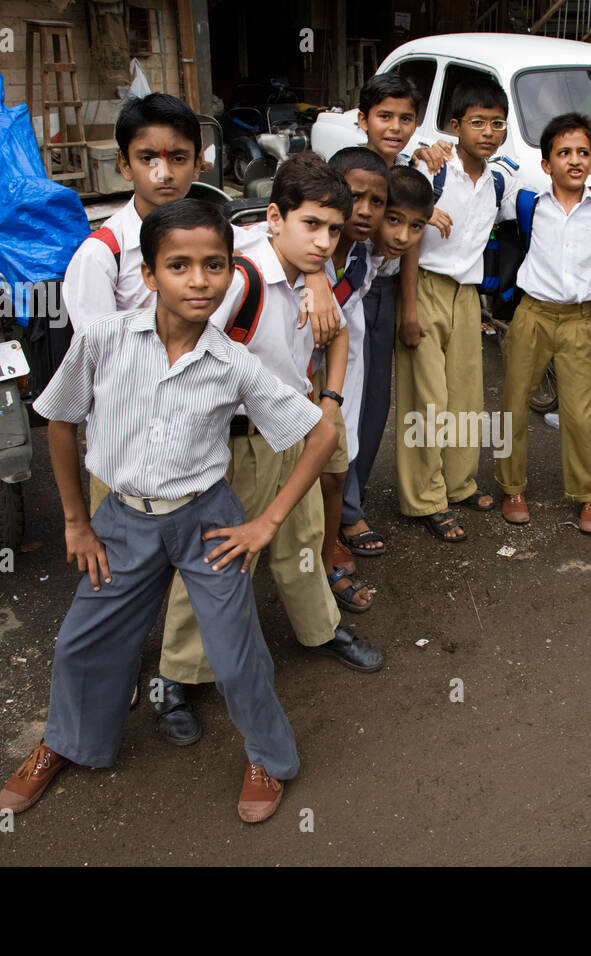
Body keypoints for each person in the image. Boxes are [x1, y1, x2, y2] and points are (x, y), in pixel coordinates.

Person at [0, 199, 335, 824]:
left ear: (232, 273)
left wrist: (267, 522)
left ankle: (269, 758)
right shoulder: (101, 340)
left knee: (235, 655)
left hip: (207, 520)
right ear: (149, 275)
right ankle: (62, 743)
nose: (199, 280)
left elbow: (318, 435)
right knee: (82, 641)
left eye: (214, 265)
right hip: (122, 521)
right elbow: (62, 422)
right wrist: (76, 521)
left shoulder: (233, 362)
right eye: (179, 265)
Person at [59, 92, 341, 743]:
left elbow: (285, 243)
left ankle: (193, 674)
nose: (164, 172)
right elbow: (103, 364)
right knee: (121, 573)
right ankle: (133, 681)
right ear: (123, 162)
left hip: (205, 440)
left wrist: (319, 277)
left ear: (199, 159)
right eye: (147, 158)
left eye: (178, 157)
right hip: (129, 441)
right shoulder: (100, 256)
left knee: (208, 560)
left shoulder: (217, 227)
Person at [158, 152, 386, 678]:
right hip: (236, 442)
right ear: (275, 219)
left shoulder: (313, 266)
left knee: (302, 541)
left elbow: (337, 334)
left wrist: (328, 402)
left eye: (333, 229)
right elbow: (180, 351)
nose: (324, 242)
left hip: (294, 426)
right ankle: (178, 674)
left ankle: (319, 629)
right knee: (219, 557)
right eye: (311, 225)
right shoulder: (238, 279)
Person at [394, 80, 520, 543]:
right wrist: (408, 308)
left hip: (467, 296)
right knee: (427, 402)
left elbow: (551, 192)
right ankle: (425, 497)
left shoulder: (500, 179)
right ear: (455, 126)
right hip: (424, 287)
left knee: (466, 397)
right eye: (477, 123)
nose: (488, 132)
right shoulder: (433, 171)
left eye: (497, 124)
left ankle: (459, 483)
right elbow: (407, 241)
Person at [496, 112, 591, 533]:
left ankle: (589, 496)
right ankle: (512, 487)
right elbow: (485, 184)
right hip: (533, 314)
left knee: (581, 413)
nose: (574, 160)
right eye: (564, 153)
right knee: (513, 401)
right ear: (547, 164)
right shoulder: (528, 204)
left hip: (580, 319)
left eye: (583, 153)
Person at [340, 75, 424, 558]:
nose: (395, 127)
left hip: (384, 289)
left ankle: (354, 495)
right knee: (341, 397)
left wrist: (409, 307)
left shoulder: (414, 172)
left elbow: (411, 245)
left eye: (406, 118)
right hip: (344, 287)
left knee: (374, 402)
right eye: (384, 116)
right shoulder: (351, 173)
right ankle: (344, 510)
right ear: (363, 119)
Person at [316, 146, 390, 614]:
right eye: (354, 196)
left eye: (376, 201)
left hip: (343, 372)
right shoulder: (309, 255)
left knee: (337, 460)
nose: (364, 210)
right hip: (306, 377)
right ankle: (318, 554)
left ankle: (327, 541)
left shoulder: (363, 255)